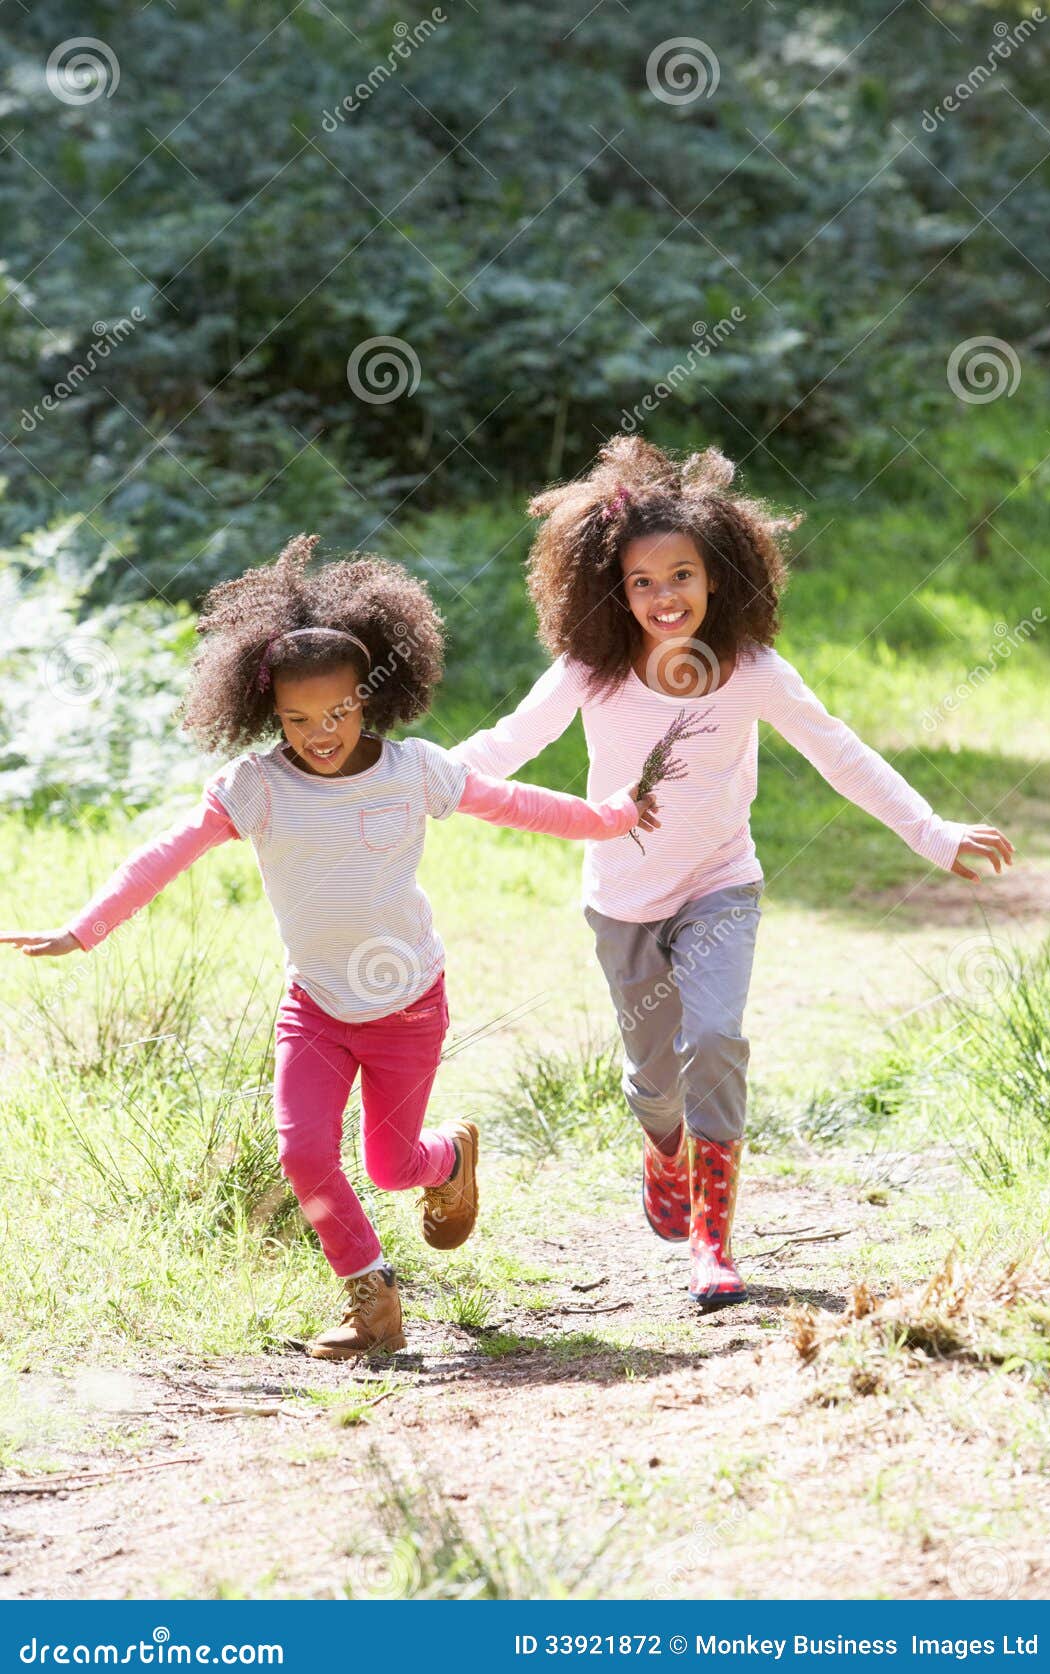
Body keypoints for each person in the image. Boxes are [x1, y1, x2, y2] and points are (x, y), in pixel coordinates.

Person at [0, 534, 657, 1357]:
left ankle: (448, 1159)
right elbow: (164, 852)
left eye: (338, 712)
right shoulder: (256, 788)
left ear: (370, 695)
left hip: (407, 1006)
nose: (320, 733)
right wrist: (85, 927)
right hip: (313, 1007)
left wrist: (613, 817)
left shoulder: (414, 772)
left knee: (390, 1165)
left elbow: (519, 803)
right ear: (266, 712)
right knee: (303, 1154)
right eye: (297, 719)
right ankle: (371, 1299)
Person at [452, 438, 1014, 1310]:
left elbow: (839, 753)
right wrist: (415, 781)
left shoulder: (752, 671)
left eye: (681, 575)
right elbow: (503, 744)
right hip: (622, 901)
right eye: (642, 581)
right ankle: (661, 1145)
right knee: (654, 1078)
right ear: (612, 589)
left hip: (720, 885)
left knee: (713, 1039)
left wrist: (931, 833)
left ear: (717, 577)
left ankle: (712, 1244)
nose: (664, 596)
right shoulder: (591, 673)